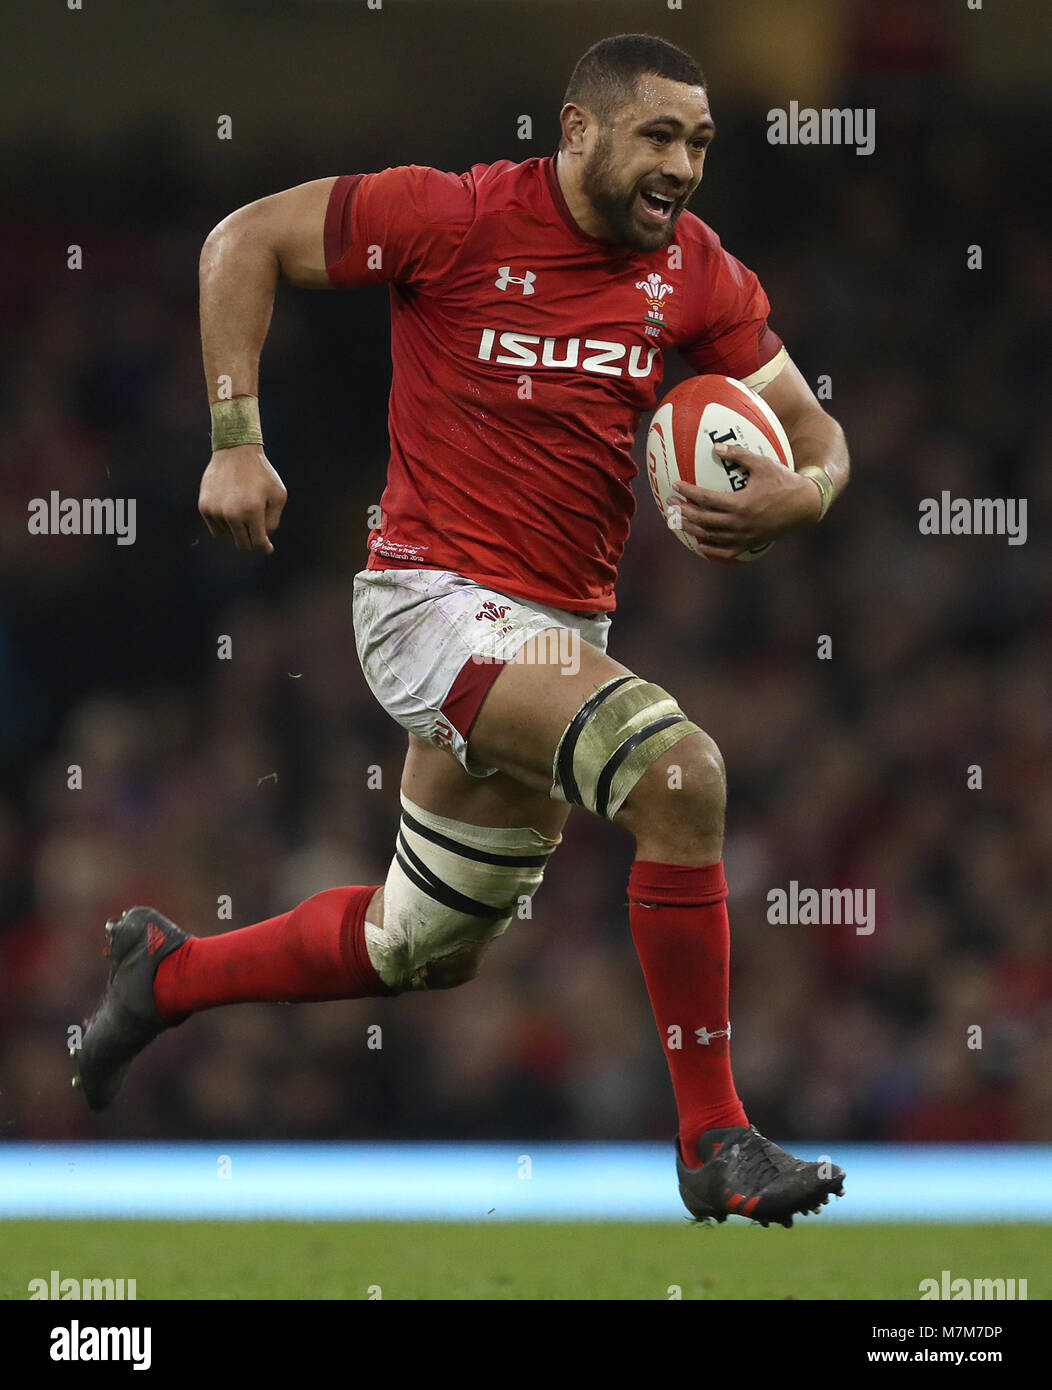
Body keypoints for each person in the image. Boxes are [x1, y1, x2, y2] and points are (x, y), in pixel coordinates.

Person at [80, 33, 848, 1227]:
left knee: (418, 945)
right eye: (658, 135)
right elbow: (244, 239)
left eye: (698, 142)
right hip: (430, 603)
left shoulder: (696, 274)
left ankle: (167, 974)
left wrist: (804, 494)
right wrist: (235, 435)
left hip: (554, 630)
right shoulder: (450, 216)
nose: (684, 166)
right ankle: (714, 1138)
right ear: (578, 130)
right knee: (680, 774)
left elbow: (814, 431)